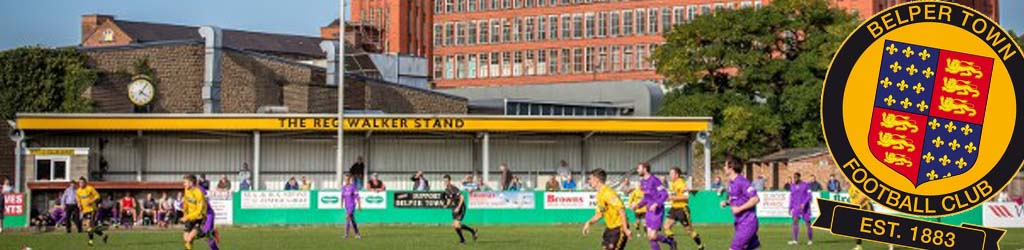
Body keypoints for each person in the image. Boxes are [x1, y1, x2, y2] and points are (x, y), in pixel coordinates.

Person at [582, 168, 631, 250]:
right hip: (610, 229)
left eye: (590, 179)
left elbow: (621, 209)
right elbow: (600, 214)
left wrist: (625, 229)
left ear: (597, 179)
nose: (589, 181)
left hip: (619, 228)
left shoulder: (608, 193)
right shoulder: (599, 194)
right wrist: (589, 222)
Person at [632, 162, 677, 250]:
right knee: (650, 237)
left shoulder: (654, 180)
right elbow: (646, 198)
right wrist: (638, 205)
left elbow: (664, 194)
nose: (637, 170)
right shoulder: (642, 182)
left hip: (657, 211)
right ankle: (670, 244)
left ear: (645, 169)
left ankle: (671, 242)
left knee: (653, 236)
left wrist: (657, 204)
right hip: (648, 211)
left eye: (639, 168)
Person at [721, 160, 760, 250]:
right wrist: (727, 203)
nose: (724, 168)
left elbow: (755, 199)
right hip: (739, 222)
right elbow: (737, 199)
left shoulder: (742, 181)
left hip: (748, 223)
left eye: (725, 165)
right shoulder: (731, 183)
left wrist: (739, 209)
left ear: (731, 168)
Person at [665, 167, 705, 250]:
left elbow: (686, 197)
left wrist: (673, 198)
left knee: (689, 231)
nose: (670, 175)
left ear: (677, 175)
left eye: (671, 173)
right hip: (674, 208)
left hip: (682, 209)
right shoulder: (672, 183)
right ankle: (673, 245)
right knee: (666, 226)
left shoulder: (681, 183)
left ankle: (700, 246)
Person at [850, 186, 893, 250]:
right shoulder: (850, 189)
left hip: (866, 207)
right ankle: (859, 246)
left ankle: (889, 242)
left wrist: (858, 203)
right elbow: (853, 200)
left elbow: (865, 195)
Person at [181, 174, 217, 250]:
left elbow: (201, 209)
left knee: (207, 238)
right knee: (186, 239)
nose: (183, 184)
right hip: (192, 216)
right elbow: (186, 203)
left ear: (191, 182)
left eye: (185, 182)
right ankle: (207, 232)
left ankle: (207, 233)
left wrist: (188, 216)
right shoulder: (187, 189)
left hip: (204, 215)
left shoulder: (200, 191)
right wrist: (185, 214)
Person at [443, 174, 478, 244]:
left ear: (449, 181)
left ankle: (463, 239)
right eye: (444, 181)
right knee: (455, 225)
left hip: (460, 206)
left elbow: (462, 197)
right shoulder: (446, 190)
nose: (445, 182)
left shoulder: (454, 188)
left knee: (456, 224)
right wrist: (447, 205)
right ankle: (471, 232)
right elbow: (450, 200)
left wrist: (458, 207)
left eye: (446, 181)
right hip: (454, 207)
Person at [76, 177, 108, 246]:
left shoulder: (90, 188)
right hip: (84, 210)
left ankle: (90, 241)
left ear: (85, 182)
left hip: (92, 209)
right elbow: (78, 199)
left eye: (82, 182)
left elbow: (97, 196)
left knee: (88, 225)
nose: (81, 184)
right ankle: (103, 235)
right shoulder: (78, 191)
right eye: (79, 183)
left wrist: (91, 201)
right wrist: (79, 205)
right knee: (90, 227)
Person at [788, 172, 813, 246]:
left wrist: (804, 203)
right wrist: (790, 207)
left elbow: (809, 196)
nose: (795, 179)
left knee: (808, 223)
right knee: (795, 222)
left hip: (805, 207)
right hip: (796, 207)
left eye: (796, 177)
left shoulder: (806, 185)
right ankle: (795, 240)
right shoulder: (792, 186)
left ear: (799, 177)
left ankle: (810, 240)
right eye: (794, 177)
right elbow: (791, 198)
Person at [342, 174, 362, 239]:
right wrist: (341, 203)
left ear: (350, 180)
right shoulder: (344, 187)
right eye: (345, 179)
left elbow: (357, 196)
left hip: (352, 205)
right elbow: (343, 196)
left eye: (347, 179)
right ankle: (357, 233)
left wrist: (359, 205)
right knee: (352, 220)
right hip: (347, 206)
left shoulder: (353, 187)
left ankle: (346, 234)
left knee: (347, 217)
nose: (346, 181)